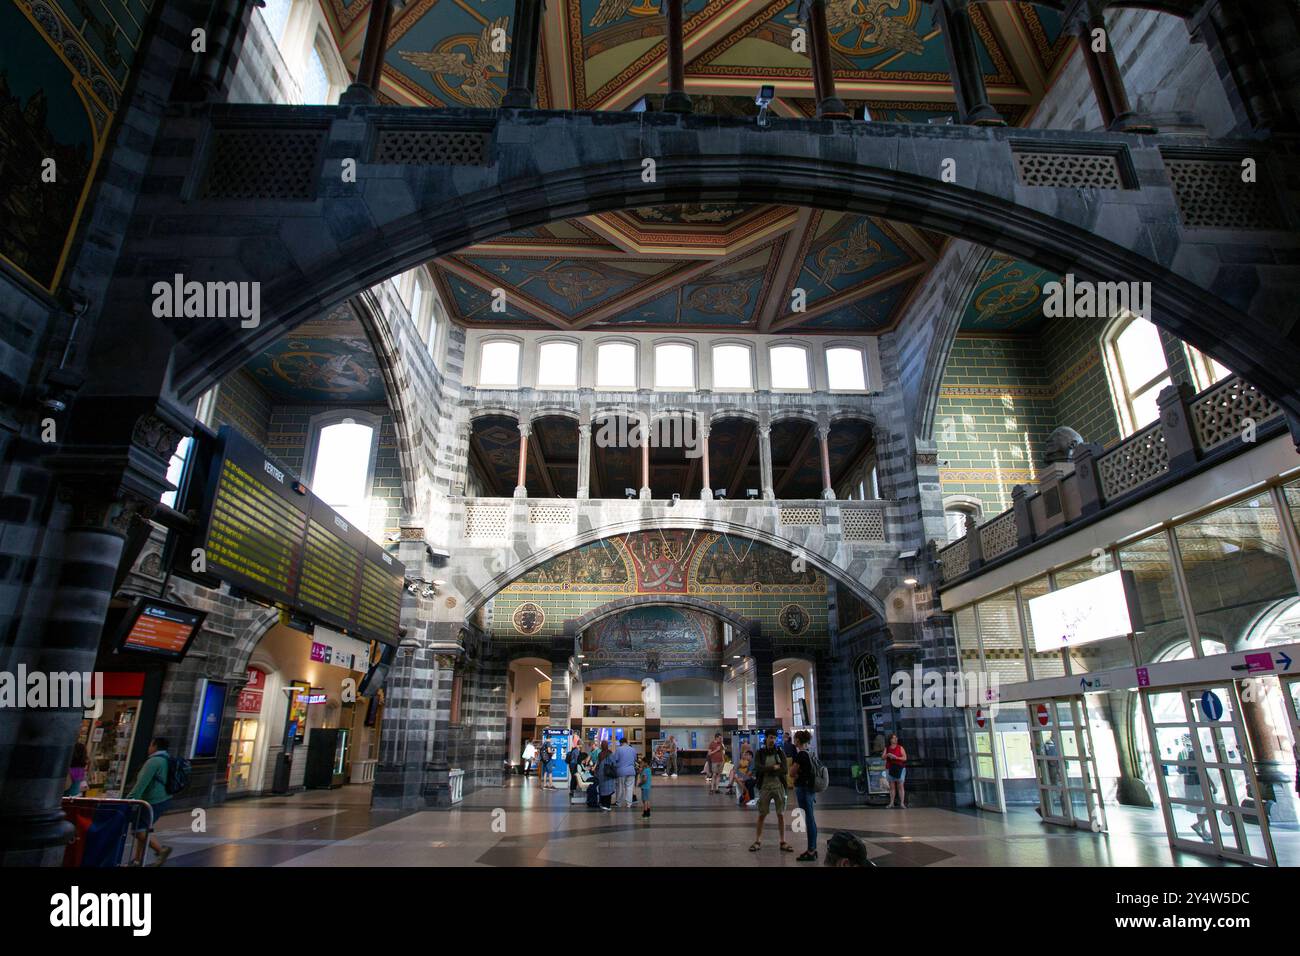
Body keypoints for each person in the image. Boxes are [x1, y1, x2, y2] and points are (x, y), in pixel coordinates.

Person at [126, 736, 174, 866]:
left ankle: (161, 850)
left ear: (155, 746)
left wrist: (129, 800)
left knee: (137, 831)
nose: (149, 748)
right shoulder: (168, 759)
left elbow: (141, 783)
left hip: (152, 800)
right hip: (165, 799)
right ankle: (137, 859)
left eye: (150, 745)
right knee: (143, 829)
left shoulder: (153, 762)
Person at [749, 729, 793, 853]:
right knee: (762, 814)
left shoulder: (780, 752)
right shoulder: (760, 753)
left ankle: (782, 841)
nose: (772, 740)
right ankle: (757, 841)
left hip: (779, 786)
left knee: (781, 815)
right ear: (766, 738)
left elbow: (784, 769)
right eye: (770, 737)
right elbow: (758, 768)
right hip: (765, 786)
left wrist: (768, 769)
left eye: (774, 737)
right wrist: (773, 767)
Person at [791, 730, 819, 862]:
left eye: (795, 738)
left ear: (798, 740)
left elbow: (791, 773)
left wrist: (796, 773)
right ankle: (812, 848)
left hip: (803, 788)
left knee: (809, 819)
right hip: (810, 788)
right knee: (810, 817)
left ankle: (811, 850)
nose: (793, 740)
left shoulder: (800, 755)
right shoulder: (810, 753)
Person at [883, 733, 907, 809]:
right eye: (894, 738)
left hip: (899, 768)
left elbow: (905, 758)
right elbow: (882, 757)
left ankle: (902, 803)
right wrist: (887, 755)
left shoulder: (900, 747)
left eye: (896, 738)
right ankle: (891, 803)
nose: (895, 739)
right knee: (892, 786)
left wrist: (896, 757)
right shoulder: (887, 748)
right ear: (890, 740)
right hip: (890, 768)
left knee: (900, 785)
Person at [614, 737, 638, 808]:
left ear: (621, 743)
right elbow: (635, 759)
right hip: (631, 771)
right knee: (629, 788)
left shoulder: (619, 749)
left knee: (620, 788)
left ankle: (619, 803)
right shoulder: (632, 749)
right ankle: (629, 804)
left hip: (621, 771)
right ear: (626, 742)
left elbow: (615, 759)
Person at [595, 740, 617, 810]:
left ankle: (603, 804)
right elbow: (614, 763)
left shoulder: (600, 754)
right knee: (609, 790)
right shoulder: (610, 753)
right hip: (608, 774)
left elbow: (597, 764)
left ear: (601, 746)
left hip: (601, 774)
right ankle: (608, 805)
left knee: (602, 789)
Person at [640, 753, 653, 819]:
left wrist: (640, 783)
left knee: (644, 801)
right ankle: (648, 812)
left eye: (642, 762)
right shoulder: (649, 769)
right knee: (647, 800)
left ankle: (645, 813)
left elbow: (644, 779)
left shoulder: (645, 770)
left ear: (645, 763)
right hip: (648, 787)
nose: (641, 763)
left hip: (644, 787)